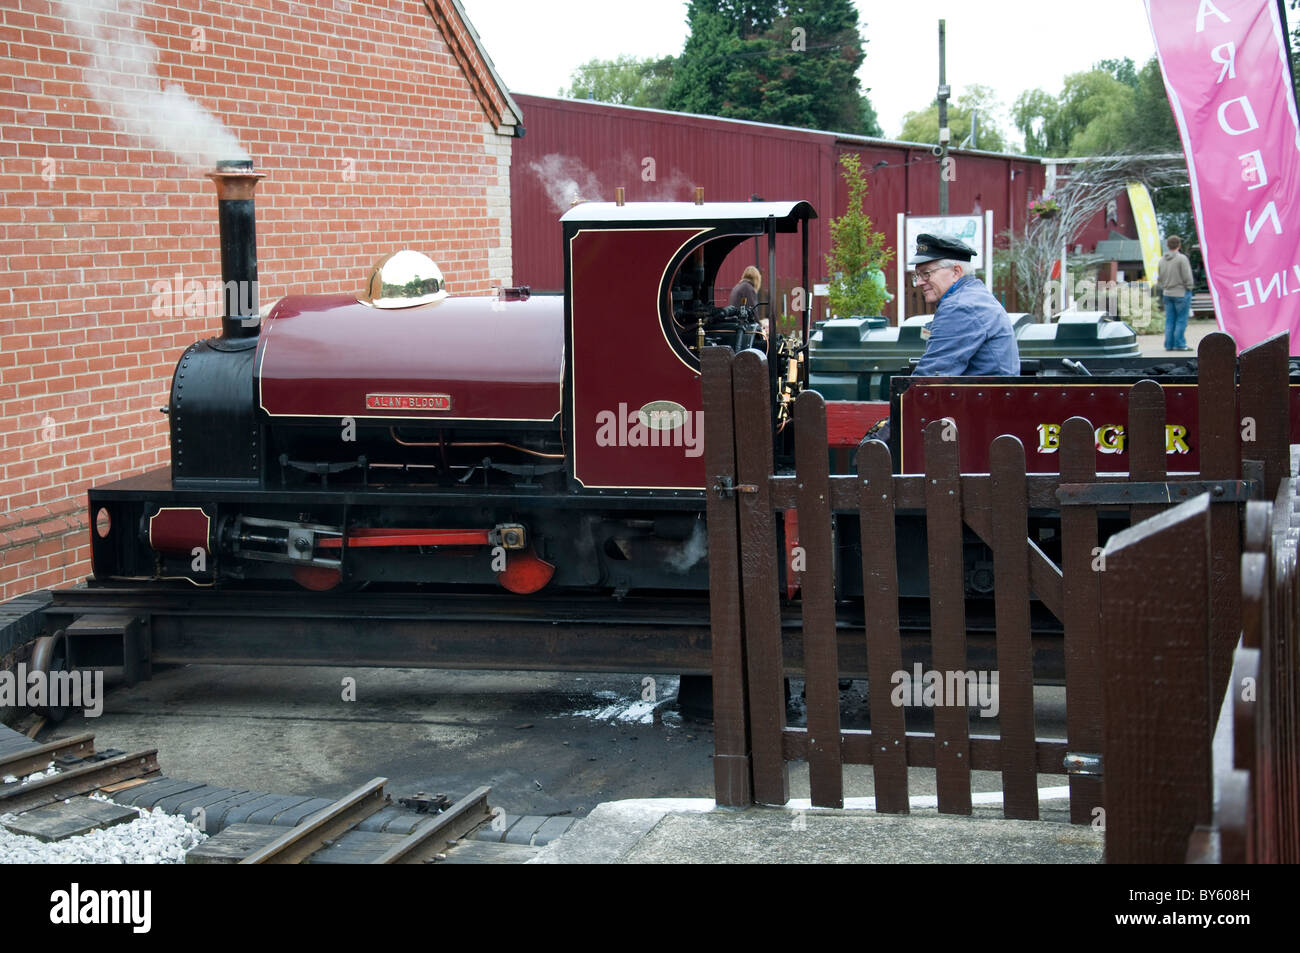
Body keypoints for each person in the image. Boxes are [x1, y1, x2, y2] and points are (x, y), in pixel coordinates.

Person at [910, 233, 1019, 377]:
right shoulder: (976, 296)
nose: (919, 283)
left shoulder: (960, 307)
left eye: (926, 274)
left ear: (956, 272)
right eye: (917, 275)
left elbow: (930, 377)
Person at [1157, 235, 1194, 352]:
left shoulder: (1162, 260)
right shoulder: (1181, 259)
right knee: (1181, 320)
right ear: (1179, 245)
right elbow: (1187, 276)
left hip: (1167, 293)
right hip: (1181, 292)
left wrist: (1165, 286)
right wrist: (1189, 287)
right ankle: (1180, 344)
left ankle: (1169, 345)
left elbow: (1160, 277)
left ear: (1167, 245)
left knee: (1169, 320)